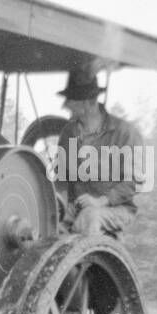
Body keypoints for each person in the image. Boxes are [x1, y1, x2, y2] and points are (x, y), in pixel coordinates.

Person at [53, 68, 145, 237]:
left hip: (116, 208)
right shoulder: (69, 133)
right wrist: (61, 203)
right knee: (48, 224)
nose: (66, 107)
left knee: (90, 217)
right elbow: (61, 178)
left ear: (87, 103)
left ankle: (81, 263)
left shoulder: (125, 133)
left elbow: (135, 179)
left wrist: (101, 201)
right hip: (77, 207)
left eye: (71, 102)